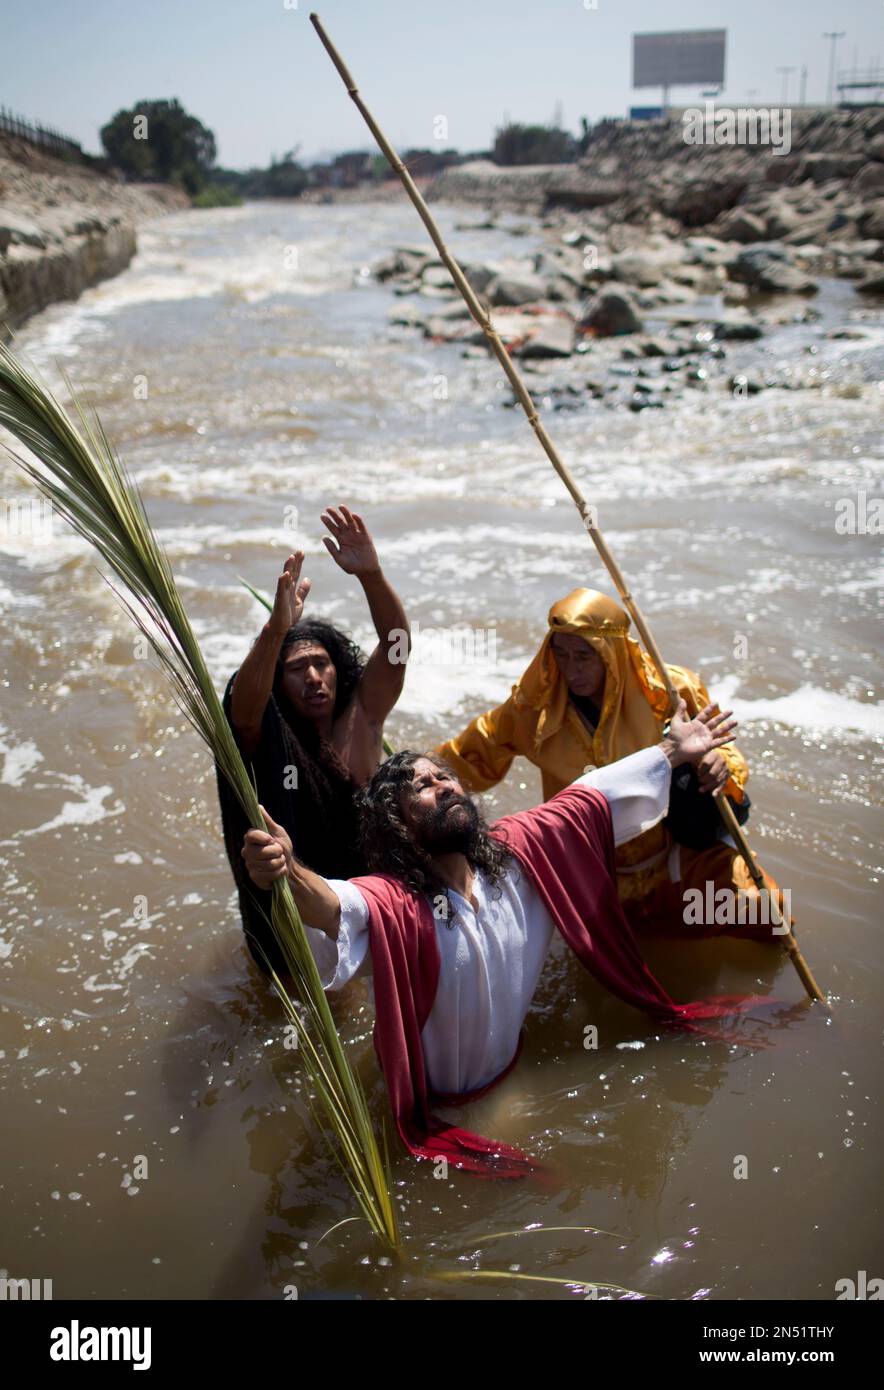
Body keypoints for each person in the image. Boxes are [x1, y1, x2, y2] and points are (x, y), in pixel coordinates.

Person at [242, 700, 768, 1177]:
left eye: (445, 776)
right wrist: (289, 870)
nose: (444, 785)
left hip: (509, 1078)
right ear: (396, 826)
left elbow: (589, 797)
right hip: (431, 1106)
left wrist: (672, 750)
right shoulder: (396, 904)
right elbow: (335, 907)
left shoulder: (518, 857)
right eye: (421, 788)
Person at [435, 588, 788, 941]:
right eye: (562, 654)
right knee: (605, 979)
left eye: (584, 657)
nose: (571, 670)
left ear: (611, 653)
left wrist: (716, 764)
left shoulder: (668, 691)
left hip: (672, 855)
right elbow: (470, 757)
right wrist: (421, 783)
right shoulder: (534, 711)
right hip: (593, 876)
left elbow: (719, 745)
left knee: (769, 912)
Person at [216, 505, 411, 977]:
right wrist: (276, 630)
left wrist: (372, 575)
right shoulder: (267, 732)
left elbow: (398, 645)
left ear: (337, 668)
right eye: (296, 668)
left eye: (320, 663)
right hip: (293, 911)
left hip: (365, 899)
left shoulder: (362, 717)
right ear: (277, 685)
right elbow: (241, 708)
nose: (313, 677)